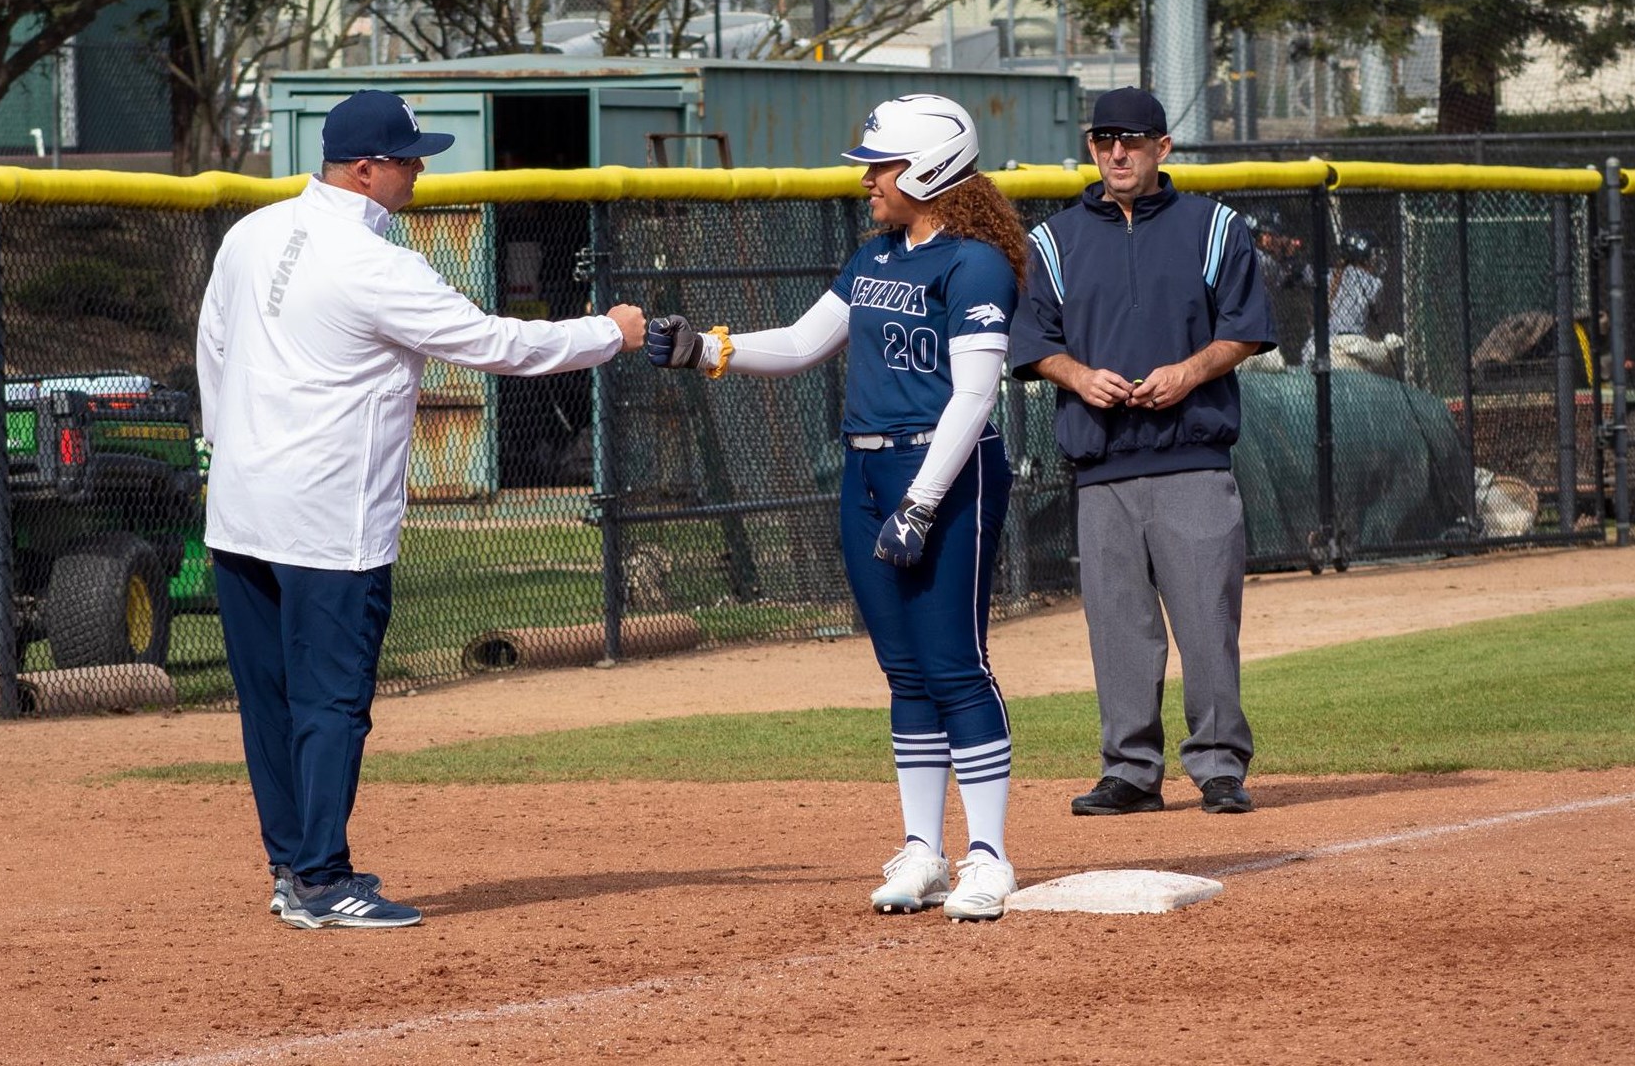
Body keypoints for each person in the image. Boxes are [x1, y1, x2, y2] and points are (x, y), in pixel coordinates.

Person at [196, 89, 647, 929]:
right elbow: (494, 345)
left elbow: (213, 352)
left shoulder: (251, 233)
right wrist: (605, 334)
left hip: (241, 508)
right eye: (407, 158)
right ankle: (324, 881)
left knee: (269, 698)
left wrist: (233, 454)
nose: (418, 170)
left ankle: (293, 866)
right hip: (327, 517)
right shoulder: (375, 263)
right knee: (330, 699)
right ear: (365, 169)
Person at [645, 94, 1029, 921]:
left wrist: (923, 502)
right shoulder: (873, 259)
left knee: (955, 662)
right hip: (863, 475)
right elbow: (800, 341)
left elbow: (972, 397)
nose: (868, 180)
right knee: (903, 669)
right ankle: (923, 848)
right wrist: (709, 349)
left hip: (944, 471)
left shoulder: (975, 263)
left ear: (929, 169)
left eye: (880, 166)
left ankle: (989, 853)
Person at [1007, 86, 1277, 816]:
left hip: (1190, 456)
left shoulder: (1213, 226)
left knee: (1204, 624)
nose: (1116, 152)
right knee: (1119, 629)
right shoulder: (1053, 240)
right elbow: (1033, 343)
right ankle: (1129, 770)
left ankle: (1219, 767)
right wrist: (1076, 375)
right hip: (1100, 464)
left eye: (1131, 139)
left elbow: (1246, 326)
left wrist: (1188, 372)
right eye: (1102, 140)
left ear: (1162, 147)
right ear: (1091, 148)